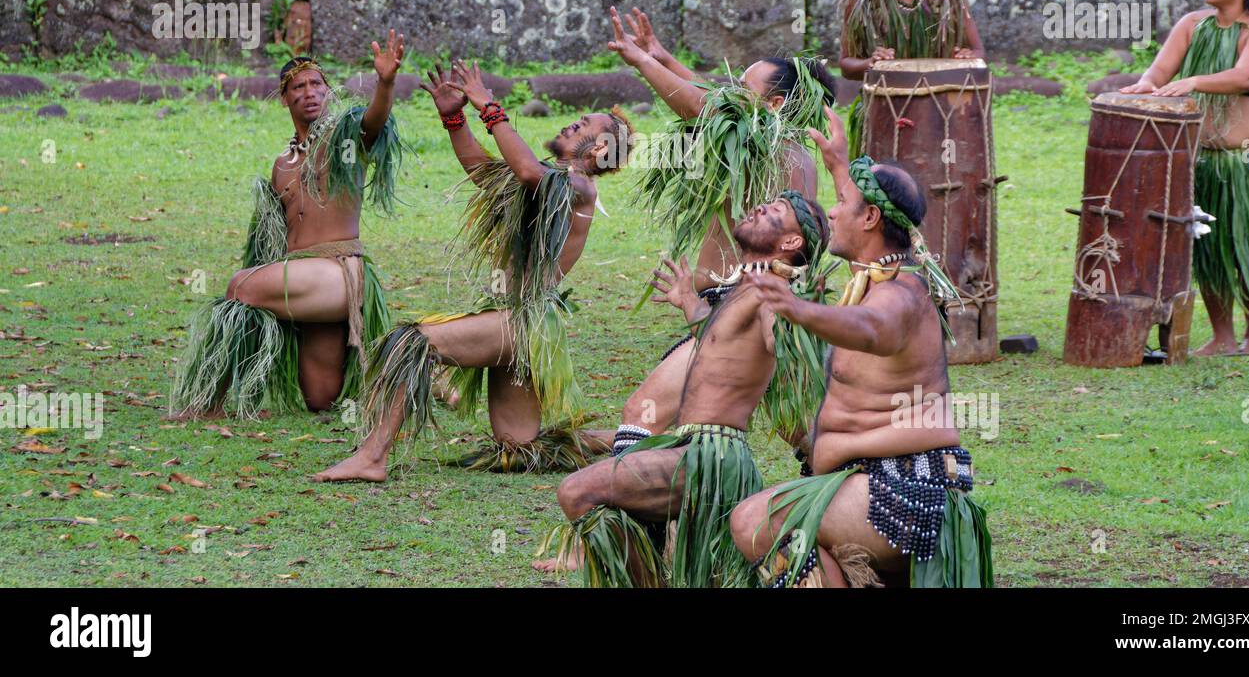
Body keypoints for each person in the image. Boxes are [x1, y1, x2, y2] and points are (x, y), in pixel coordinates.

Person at [313, 61, 635, 480]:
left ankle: (372, 457)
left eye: (584, 125)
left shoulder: (577, 187)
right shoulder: (550, 179)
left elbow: (524, 170)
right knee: (519, 447)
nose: (574, 122)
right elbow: (487, 174)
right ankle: (634, 439)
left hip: (520, 319)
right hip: (521, 325)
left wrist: (489, 105)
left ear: (599, 150)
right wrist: (454, 118)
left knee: (409, 343)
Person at [729, 106, 993, 588]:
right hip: (874, 479)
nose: (830, 211)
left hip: (906, 485)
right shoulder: (875, 273)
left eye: (842, 203)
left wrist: (796, 309)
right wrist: (838, 165)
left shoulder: (897, 298)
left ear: (870, 217)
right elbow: (857, 218)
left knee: (754, 522)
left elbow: (870, 329)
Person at [533, 193, 829, 587]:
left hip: (711, 458)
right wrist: (690, 304)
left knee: (577, 492)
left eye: (776, 212)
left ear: (792, 243)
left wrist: (803, 315)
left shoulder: (771, 293)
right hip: (695, 450)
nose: (760, 208)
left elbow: (778, 341)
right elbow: (721, 344)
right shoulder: (747, 286)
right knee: (621, 513)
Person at [596, 7, 836, 455]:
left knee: (642, 414)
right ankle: (847, 479)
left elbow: (702, 107)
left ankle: (630, 502)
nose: (730, 96)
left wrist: (641, 62)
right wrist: (664, 57)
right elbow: (717, 99)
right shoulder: (790, 147)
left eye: (743, 90)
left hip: (737, 307)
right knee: (800, 428)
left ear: (774, 106)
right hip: (751, 302)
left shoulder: (764, 145)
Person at [169, 35, 405, 419]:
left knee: (241, 286)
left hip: (338, 274)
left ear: (329, 92)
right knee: (321, 397)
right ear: (284, 98)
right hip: (303, 280)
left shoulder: (345, 139)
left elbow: (372, 122)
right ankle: (409, 370)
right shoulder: (282, 165)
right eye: (299, 86)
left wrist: (387, 83)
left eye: (317, 84)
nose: (310, 93)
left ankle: (208, 401)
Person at [1121, 0, 1249, 357]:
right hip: (1206, 160)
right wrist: (1146, 84)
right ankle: (1222, 336)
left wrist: (1195, 81)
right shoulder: (1191, 25)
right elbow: (1160, 72)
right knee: (1210, 249)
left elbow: (1242, 77)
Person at [836, 0, 984, 158]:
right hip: (881, 113)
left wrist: (966, 58)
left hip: (938, 116)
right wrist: (870, 63)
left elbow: (980, 53)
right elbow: (846, 65)